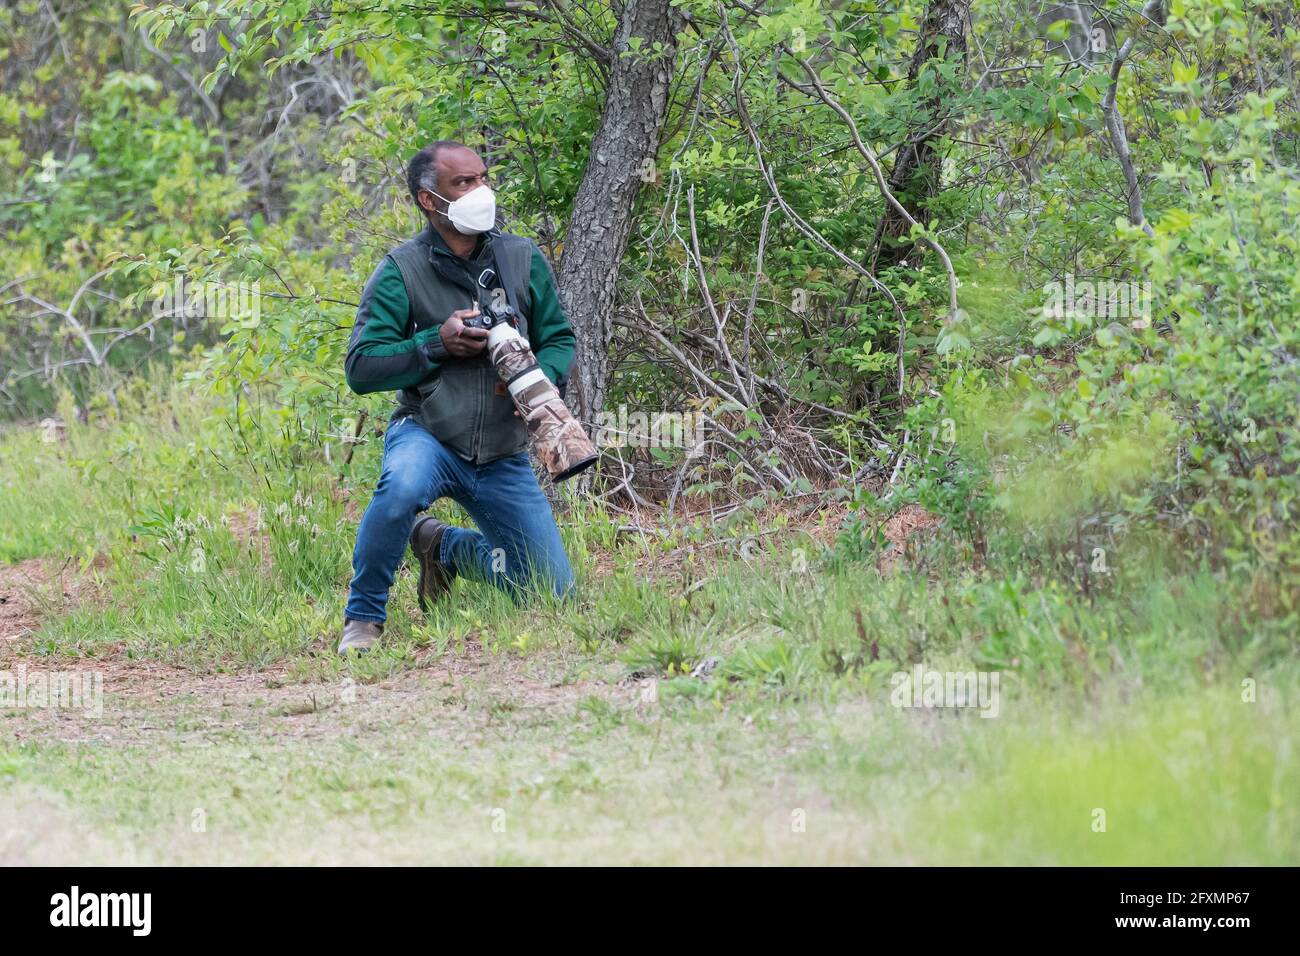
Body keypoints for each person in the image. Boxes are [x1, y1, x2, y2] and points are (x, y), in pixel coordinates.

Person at [338, 141, 576, 654]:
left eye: (483, 178)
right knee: (400, 489)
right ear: (429, 200)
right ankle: (363, 618)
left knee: (552, 593)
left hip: (502, 450)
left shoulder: (521, 257)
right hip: (429, 432)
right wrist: (434, 344)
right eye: (463, 183)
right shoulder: (401, 270)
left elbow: (560, 337)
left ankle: (443, 547)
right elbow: (361, 368)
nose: (480, 191)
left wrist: (536, 383)